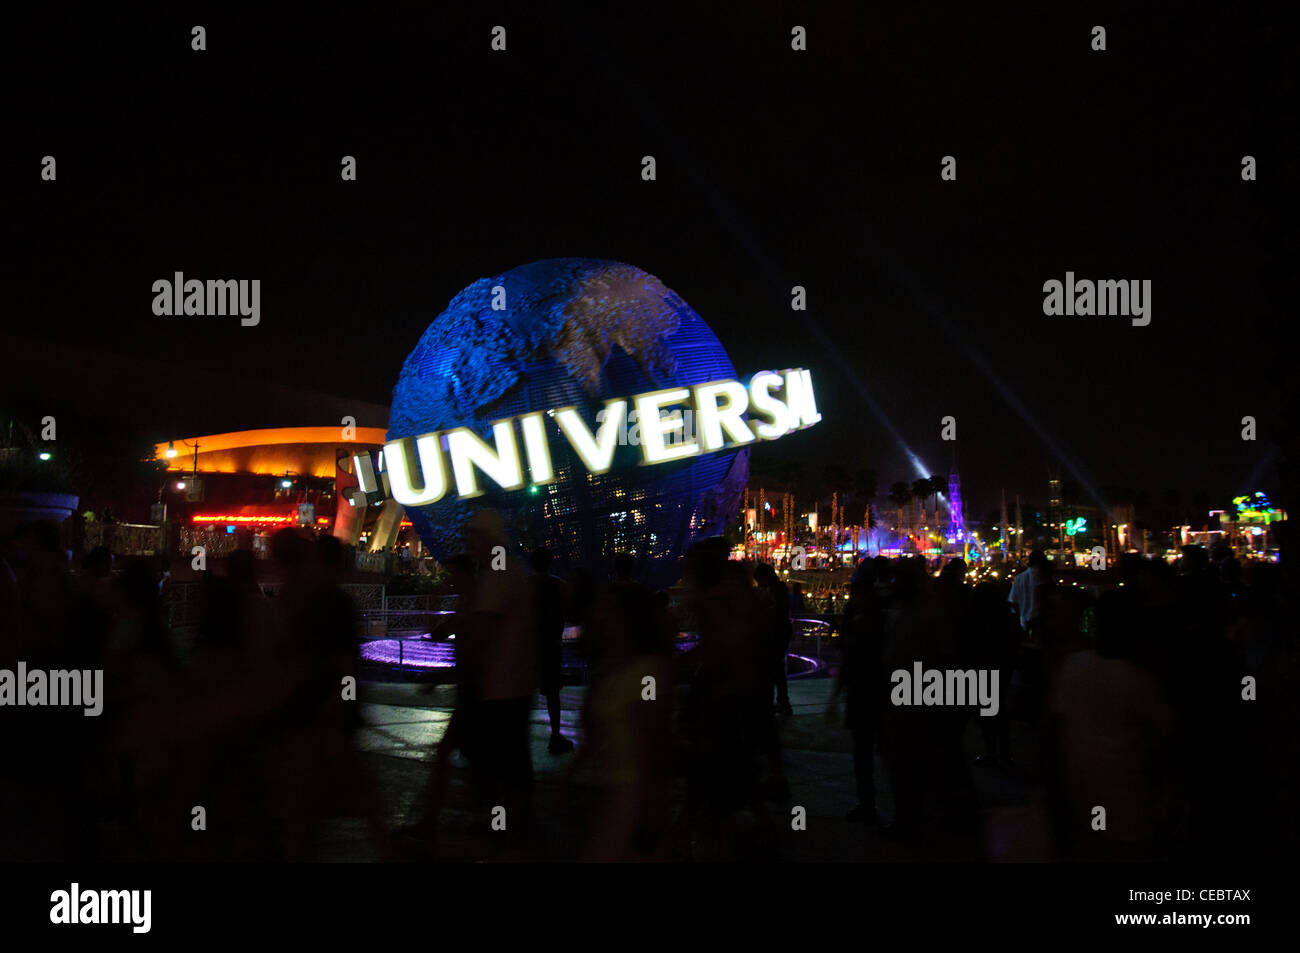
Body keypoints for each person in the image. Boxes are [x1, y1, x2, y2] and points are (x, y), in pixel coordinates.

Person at [530, 547, 573, 753]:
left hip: (529, 645)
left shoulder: (525, 587)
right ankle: (555, 736)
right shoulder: (559, 585)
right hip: (552, 645)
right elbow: (569, 609)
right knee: (553, 694)